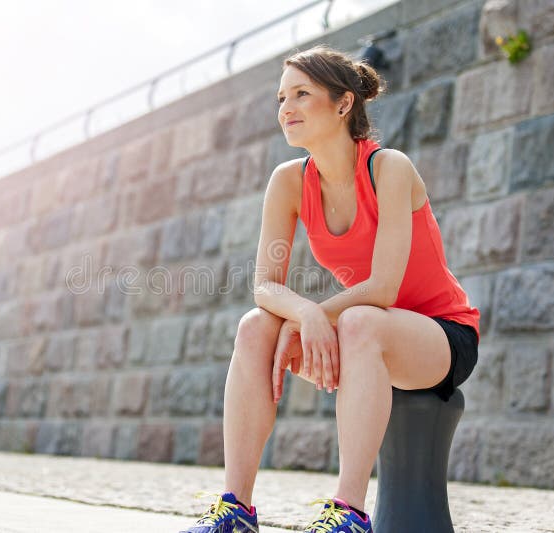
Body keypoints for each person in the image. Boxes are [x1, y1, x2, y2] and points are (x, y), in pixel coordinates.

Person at [179, 44, 480, 533]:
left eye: (301, 94)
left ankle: (348, 513)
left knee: (361, 320)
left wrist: (318, 315)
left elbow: (383, 288)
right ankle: (236, 510)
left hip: (441, 336)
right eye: (281, 98)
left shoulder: (389, 169)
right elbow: (265, 286)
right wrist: (308, 316)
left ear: (343, 104)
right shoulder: (288, 183)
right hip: (364, 332)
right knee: (256, 327)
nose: (286, 109)